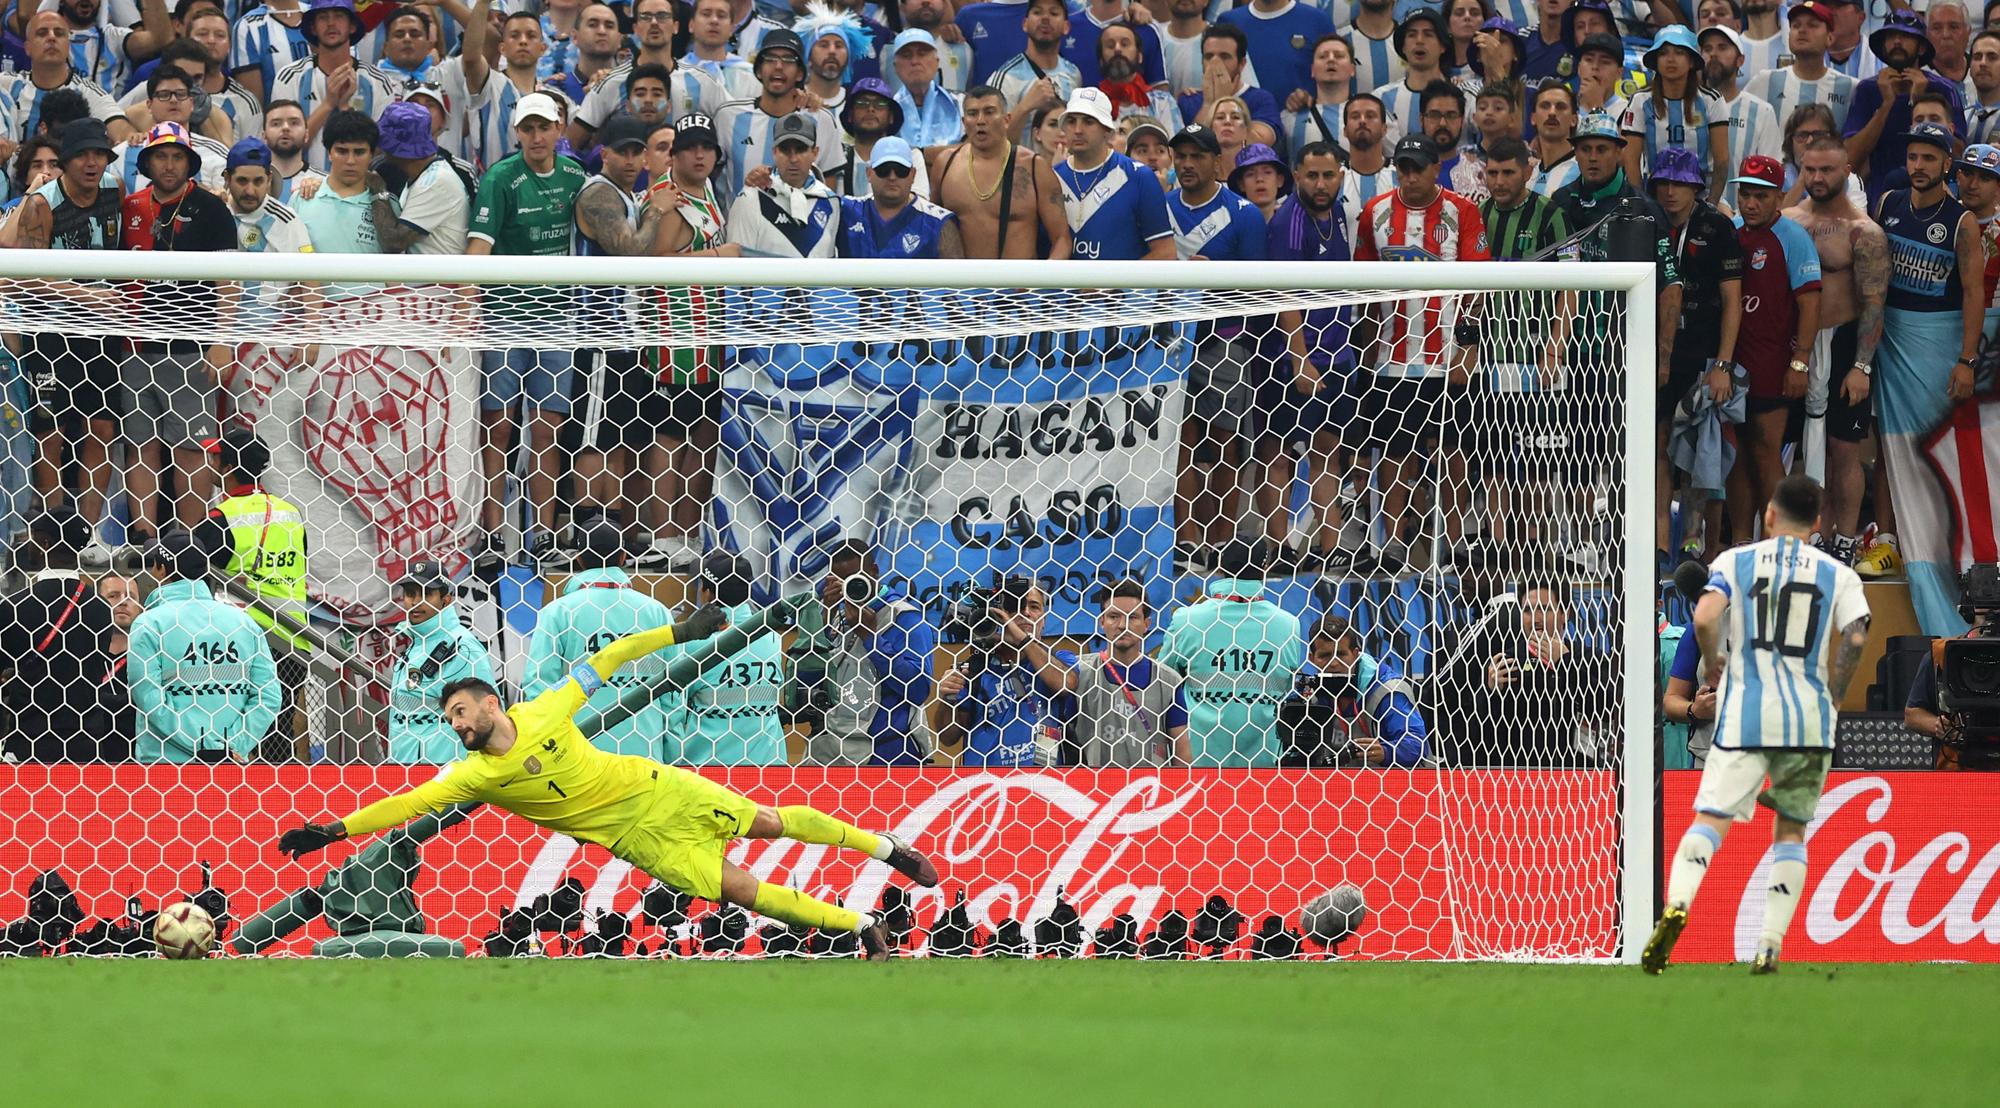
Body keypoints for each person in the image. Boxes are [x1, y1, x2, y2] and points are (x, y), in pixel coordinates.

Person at [274, 615, 940, 961]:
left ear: (487, 706)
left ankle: (886, 850)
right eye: (449, 719)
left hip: (657, 789)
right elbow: (401, 803)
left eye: (458, 713)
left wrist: (680, 634)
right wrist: (331, 832)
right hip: (633, 839)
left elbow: (610, 658)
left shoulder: (546, 710)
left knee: (767, 823)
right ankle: (862, 925)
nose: (453, 725)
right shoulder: (474, 774)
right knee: (742, 891)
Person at [1645, 475, 1871, 975]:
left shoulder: (1734, 562)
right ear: (1816, 524)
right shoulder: (1839, 574)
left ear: (1768, 515)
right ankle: (1769, 944)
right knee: (1790, 833)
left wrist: (1713, 659)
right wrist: (1833, 696)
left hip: (1746, 711)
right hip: (1807, 719)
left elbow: (1705, 616)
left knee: (1710, 820)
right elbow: (1856, 636)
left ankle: (1678, 905)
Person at [1353, 132, 1491, 573]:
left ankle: (1451, 544)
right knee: (1394, 452)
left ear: (1436, 169)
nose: (1410, 176)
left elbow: (1479, 290)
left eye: (1418, 168)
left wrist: (1466, 355)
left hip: (1448, 359)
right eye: (1403, 167)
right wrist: (1367, 346)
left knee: (1451, 451)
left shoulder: (1463, 211)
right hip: (1390, 360)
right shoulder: (1374, 213)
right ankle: (1393, 544)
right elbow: (1362, 286)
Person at [468, 92, 589, 569]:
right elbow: (479, 246)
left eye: (545, 127)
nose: (537, 137)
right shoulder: (500, 178)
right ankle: (491, 533)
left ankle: (543, 534)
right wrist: (465, 304)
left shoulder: (577, 177)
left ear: (560, 128)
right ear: (517, 132)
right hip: (503, 318)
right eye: (528, 128)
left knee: (548, 429)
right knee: (497, 426)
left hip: (557, 319)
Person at [1862, 121, 1983, 600]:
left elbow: (1973, 292)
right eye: (1913, 157)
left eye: (1929, 158)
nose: (1918, 166)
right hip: (1889, 339)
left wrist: (1966, 360)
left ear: (1946, 165)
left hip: (1937, 344)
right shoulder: (1888, 204)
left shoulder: (1961, 221)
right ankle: (1888, 540)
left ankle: (1939, 549)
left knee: (1932, 447)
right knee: (1886, 446)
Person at [120, 121, 234, 537]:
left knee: (192, 451)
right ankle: (146, 541)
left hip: (191, 347)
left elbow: (231, 279)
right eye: (161, 156)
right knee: (139, 447)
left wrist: (222, 341)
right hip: (134, 346)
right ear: (148, 161)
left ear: (189, 161)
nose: (169, 165)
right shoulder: (129, 206)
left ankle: (193, 546)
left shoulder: (212, 208)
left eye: (177, 156)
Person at [15, 118, 124, 546]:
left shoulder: (116, 190)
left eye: (99, 153)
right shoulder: (42, 204)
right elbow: (23, 276)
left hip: (101, 332)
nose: (92, 162)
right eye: (83, 154)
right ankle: (54, 527)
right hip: (50, 330)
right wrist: (84, 295)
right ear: (65, 162)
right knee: (51, 428)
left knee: (100, 428)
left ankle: (91, 533)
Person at [638, 113, 736, 570]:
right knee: (670, 437)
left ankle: (691, 531)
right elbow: (656, 264)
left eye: (707, 147)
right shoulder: (669, 200)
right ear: (674, 155)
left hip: (709, 336)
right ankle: (665, 536)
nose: (699, 155)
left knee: (703, 436)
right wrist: (721, 256)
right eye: (690, 147)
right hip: (673, 337)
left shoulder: (709, 192)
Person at [570, 112, 670, 551]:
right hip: (597, 332)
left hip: (627, 335)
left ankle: (612, 533)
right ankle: (590, 530)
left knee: (618, 436)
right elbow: (628, 249)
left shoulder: (627, 197)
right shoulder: (598, 194)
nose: (631, 160)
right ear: (603, 153)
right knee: (594, 437)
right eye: (622, 152)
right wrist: (655, 215)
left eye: (637, 151)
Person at [1785, 136, 1887, 567]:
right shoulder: (1789, 220)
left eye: (1827, 170)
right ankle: (1806, 537)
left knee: (1843, 449)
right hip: (1796, 347)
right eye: (1810, 169)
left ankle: (1844, 540)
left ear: (1846, 172)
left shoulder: (1863, 231)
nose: (1817, 178)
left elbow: (1874, 302)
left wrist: (1861, 365)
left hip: (1845, 343)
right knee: (1797, 448)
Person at [1479, 135, 1579, 568]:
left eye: (1507, 173)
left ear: (1526, 171)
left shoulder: (1551, 214)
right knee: (1495, 460)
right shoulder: (1477, 215)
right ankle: (1501, 549)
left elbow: (1572, 284)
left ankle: (1538, 550)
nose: (1499, 181)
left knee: (1538, 463)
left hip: (1537, 360)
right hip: (1488, 359)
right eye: (1492, 173)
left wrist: (1555, 346)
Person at [1262, 140, 1358, 572]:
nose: (1322, 184)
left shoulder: (1336, 212)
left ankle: (1330, 544)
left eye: (1329, 175)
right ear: (1296, 177)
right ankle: (1279, 548)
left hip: (1337, 352)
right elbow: (1284, 294)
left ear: (1341, 175)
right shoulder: (1290, 223)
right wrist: (1299, 357)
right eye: (1312, 176)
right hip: (1295, 355)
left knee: (1328, 447)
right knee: (1279, 450)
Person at [1723, 154, 1823, 547]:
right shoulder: (1731, 231)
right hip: (1735, 361)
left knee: (1765, 450)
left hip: (1773, 361)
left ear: (1778, 198)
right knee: (1735, 454)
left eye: (1760, 196)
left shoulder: (1793, 238)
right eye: (1745, 194)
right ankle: (1740, 544)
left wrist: (1800, 362)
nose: (1750, 203)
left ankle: (1785, 541)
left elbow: (1810, 304)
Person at [1651, 145, 1743, 566]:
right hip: (1654, 347)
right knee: (1659, 442)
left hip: (1704, 349)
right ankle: (1658, 544)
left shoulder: (1718, 226)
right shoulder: (1645, 220)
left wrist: (1723, 364)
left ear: (1697, 188)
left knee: (1702, 446)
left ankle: (1694, 539)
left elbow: (1732, 301)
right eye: (1663, 183)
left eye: (1680, 184)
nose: (1670, 192)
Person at [193, 428, 311, 754]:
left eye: (215, 457)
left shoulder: (222, 518)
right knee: (277, 732)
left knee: (234, 733)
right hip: (292, 637)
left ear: (227, 467)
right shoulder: (290, 513)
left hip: (242, 642)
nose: (210, 461)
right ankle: (276, 799)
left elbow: (190, 569)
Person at [127, 528, 283, 764]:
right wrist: (229, 746)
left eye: (153, 563)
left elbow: (149, 698)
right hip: (231, 763)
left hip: (165, 766)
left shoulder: (149, 624)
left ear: (161, 569)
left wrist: (205, 745)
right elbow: (268, 696)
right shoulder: (244, 623)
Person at [525, 519, 675, 759]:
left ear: (578, 559)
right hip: (645, 758)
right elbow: (674, 693)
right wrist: (670, 753)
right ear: (624, 557)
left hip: (577, 759)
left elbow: (538, 688)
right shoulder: (657, 612)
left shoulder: (558, 613)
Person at [1430, 576, 1616, 767]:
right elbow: (1482, 741)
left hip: (1576, 781)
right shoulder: (1506, 662)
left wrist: (1565, 662)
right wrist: (1489, 692)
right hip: (1519, 780)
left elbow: (1607, 711)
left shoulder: (1588, 658)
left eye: (1544, 609)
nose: (1535, 619)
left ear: (1564, 614)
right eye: (1528, 610)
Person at [1159, 540, 1303, 767]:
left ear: (1220, 569)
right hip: (1263, 762)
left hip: (1197, 762)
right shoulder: (1288, 625)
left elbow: (1162, 682)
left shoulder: (1187, 619)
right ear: (1264, 570)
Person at [0, 508, 117, 762]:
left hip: (30, 743)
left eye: (32, 538)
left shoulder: (15, 607)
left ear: (44, 543)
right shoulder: (100, 608)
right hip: (87, 744)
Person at [809, 538, 936, 766]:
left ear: (874, 571)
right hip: (833, 752)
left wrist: (871, 638)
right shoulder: (835, 617)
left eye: (857, 579)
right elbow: (811, 679)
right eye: (842, 582)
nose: (852, 587)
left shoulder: (905, 617)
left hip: (887, 753)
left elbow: (918, 690)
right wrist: (824, 617)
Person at [934, 575, 1078, 767]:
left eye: (1034, 607)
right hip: (983, 784)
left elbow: (1065, 684)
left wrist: (1020, 635)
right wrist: (946, 698)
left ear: (1044, 619)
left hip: (1042, 784)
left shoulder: (1061, 659)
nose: (1025, 613)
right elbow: (948, 737)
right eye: (1014, 608)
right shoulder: (974, 670)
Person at [1049, 579, 1189, 768]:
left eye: (1132, 617)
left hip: (1150, 791)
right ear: (1102, 622)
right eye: (1114, 616)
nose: (1122, 625)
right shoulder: (1078, 672)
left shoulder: (1168, 680)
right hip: (1089, 789)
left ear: (1146, 624)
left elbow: (1182, 750)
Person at [926, 86, 1070, 260]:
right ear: (964, 123)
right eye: (973, 113)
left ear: (1006, 119)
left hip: (1019, 284)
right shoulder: (945, 164)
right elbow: (931, 231)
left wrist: (1040, 283)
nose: (980, 120)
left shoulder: (1034, 167)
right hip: (962, 285)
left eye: (989, 112)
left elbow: (1061, 239)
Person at [670, 552, 787, 765]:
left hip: (709, 768)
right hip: (769, 764)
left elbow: (674, 709)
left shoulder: (694, 643)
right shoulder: (771, 638)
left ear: (707, 592)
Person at [1844, 9, 1968, 201]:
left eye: (1905, 36)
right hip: (1880, 199)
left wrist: (1918, 101)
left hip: (1935, 199)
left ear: (1921, 47)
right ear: (1883, 45)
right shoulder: (1867, 89)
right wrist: (1886, 104)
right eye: (1891, 36)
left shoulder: (1944, 89)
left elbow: (1958, 155)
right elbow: (1850, 159)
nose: (1897, 42)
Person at [573, 0, 724, 153]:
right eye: (645, 17)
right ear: (636, 28)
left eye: (662, 16)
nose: (654, 22)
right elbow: (571, 142)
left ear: (676, 26)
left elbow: (729, 132)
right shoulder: (611, 83)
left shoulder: (703, 82)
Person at [386, 558, 497, 764]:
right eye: (410, 593)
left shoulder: (464, 647)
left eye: (426, 594)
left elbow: (490, 714)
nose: (415, 601)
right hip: (403, 766)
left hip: (446, 771)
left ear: (446, 600)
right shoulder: (414, 643)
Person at [1282, 615, 1427, 768]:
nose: (1334, 663)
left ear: (1355, 654)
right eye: (1324, 656)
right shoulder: (1307, 694)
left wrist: (1386, 752)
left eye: (1341, 654)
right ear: (1311, 658)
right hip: (1333, 785)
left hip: (1391, 784)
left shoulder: (1388, 690)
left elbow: (1418, 744)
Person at [270, 0, 399, 170]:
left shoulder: (378, 82)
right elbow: (284, 148)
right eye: (323, 17)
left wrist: (345, 108)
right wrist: (329, 104)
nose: (331, 23)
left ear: (352, 26)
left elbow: (380, 152)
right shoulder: (289, 77)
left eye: (338, 16)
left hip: (359, 188)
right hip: (301, 188)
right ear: (313, 28)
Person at [713, 28, 841, 198]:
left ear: (800, 73)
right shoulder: (728, 116)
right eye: (770, 59)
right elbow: (708, 176)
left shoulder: (821, 120)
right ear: (758, 70)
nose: (779, 66)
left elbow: (829, 189)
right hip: (739, 223)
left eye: (788, 59)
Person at [1053, 87, 1174, 260]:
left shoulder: (1140, 177)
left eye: (1088, 121)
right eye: (1071, 121)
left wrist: (1113, 286)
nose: (1078, 130)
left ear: (1108, 132)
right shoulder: (1052, 177)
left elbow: (1166, 253)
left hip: (1121, 287)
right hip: (1062, 287)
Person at [1622, 26, 1728, 202]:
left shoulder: (1712, 100)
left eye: (1679, 52)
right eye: (1663, 53)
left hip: (1702, 196)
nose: (1670, 59)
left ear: (1692, 61)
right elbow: (1631, 160)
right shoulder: (1640, 101)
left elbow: (1722, 161)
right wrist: (1641, 204)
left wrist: (1712, 204)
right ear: (1655, 61)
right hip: (1655, 196)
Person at [1, 11, 133, 145]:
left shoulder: (88, 93)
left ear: (68, 45)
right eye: (42, 33)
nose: (51, 37)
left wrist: (131, 138)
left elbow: (122, 131)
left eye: (59, 33)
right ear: (27, 48)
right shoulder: (8, 85)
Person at [725, 110, 840, 256]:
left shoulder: (830, 201)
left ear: (815, 152)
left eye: (801, 149)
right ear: (774, 152)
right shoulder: (750, 198)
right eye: (785, 150)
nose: (793, 159)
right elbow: (736, 267)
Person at [369, 100, 472, 256]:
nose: (380, 147)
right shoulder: (425, 174)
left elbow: (395, 242)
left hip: (439, 280)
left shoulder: (435, 182)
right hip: (429, 278)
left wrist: (378, 191)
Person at [1744, 2, 1856, 142]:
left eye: (1812, 25)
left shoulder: (1850, 88)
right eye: (1796, 25)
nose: (1802, 30)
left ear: (1830, 38)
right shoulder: (1765, 81)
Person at [836, 136, 964, 258]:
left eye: (901, 170)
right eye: (883, 170)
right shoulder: (846, 210)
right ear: (869, 173)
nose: (892, 177)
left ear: (913, 175)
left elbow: (957, 277)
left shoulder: (938, 222)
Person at [1700, 24, 1782, 210]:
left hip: (1743, 221)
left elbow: (1770, 176)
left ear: (1740, 60)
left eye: (1722, 47)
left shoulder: (1762, 111)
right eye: (1707, 49)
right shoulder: (1689, 106)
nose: (1713, 54)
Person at [109, 68, 228, 192]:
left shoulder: (216, 154)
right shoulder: (122, 154)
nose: (173, 100)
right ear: (149, 105)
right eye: (164, 95)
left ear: (191, 103)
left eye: (180, 94)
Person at [292, 108, 382, 257]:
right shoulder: (301, 198)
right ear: (329, 153)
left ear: (371, 155)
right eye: (342, 151)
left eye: (359, 152)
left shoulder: (385, 204)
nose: (350, 161)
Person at [992, 0, 1082, 144]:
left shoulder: (1073, 74)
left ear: (1066, 27)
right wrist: (1024, 107)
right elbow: (992, 141)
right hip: (1022, 165)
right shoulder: (1006, 77)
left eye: (1054, 13)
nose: (1045, 18)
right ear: (1025, 24)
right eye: (1037, 12)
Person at [831, 77, 931, 198]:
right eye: (862, 103)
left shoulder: (910, 156)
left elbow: (919, 203)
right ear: (850, 115)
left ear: (891, 117)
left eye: (880, 104)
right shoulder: (836, 156)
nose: (870, 109)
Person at [1180, 23, 1281, 138]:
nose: (1215, 63)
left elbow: (1260, 143)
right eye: (1209, 57)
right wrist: (1209, 105)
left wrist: (1225, 102)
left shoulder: (1260, 99)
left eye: (1224, 56)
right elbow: (1193, 147)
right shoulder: (1188, 99)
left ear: (1242, 64)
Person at [1373, 11, 1457, 143]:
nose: (1419, 41)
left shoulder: (1464, 94)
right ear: (1403, 47)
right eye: (1412, 35)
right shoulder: (1381, 99)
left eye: (1428, 34)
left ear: (1443, 46)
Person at [1094, 20, 1182, 131]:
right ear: (1101, 60)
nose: (1117, 49)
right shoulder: (1092, 106)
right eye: (1110, 46)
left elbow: (1174, 146)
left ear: (1140, 56)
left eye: (1125, 44)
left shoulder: (1162, 103)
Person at [1281, 34, 1354, 157]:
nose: (1331, 60)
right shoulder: (1289, 117)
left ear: (1353, 70)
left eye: (1339, 56)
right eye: (1322, 56)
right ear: (1312, 70)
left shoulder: (1368, 115)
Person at [889, 29, 963, 147]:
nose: (915, 61)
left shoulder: (960, 103)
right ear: (895, 67)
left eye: (922, 54)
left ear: (936, 62)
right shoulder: (887, 110)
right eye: (906, 55)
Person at [262, 100, 325, 203]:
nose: (285, 128)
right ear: (264, 137)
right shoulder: (250, 183)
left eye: (294, 123)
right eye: (276, 124)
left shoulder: (323, 183)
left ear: (306, 135)